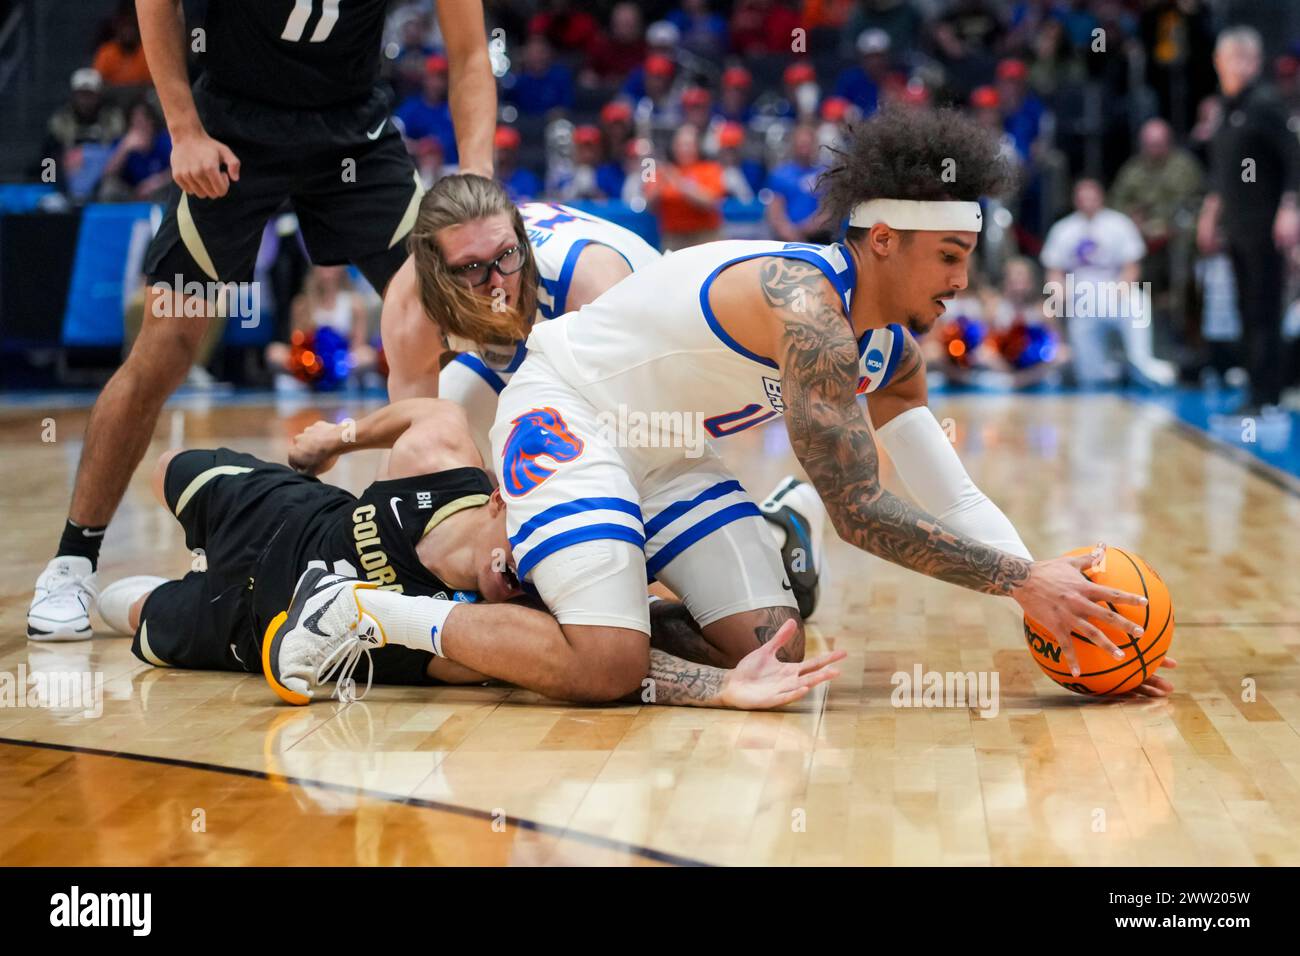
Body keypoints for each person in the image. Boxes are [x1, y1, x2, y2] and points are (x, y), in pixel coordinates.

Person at [330, 106, 1170, 703]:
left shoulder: (892, 357)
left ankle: (580, 606)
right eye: (949, 256)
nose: (961, 281)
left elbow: (955, 497)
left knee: (774, 639)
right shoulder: (804, 310)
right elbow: (860, 512)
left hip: (662, 454)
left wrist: (1063, 608)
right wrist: (1023, 581)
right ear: (883, 240)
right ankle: (373, 613)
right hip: (566, 414)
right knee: (605, 670)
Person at [26, 0, 497, 641]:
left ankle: (479, 539)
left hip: (350, 131)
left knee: (457, 319)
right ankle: (72, 560)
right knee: (165, 346)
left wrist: (476, 169)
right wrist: (183, 129)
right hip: (233, 129)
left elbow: (471, 53)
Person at [97, 399, 844, 711]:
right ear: (498, 495)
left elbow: (619, 658)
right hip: (284, 514)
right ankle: (779, 533)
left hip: (240, 627)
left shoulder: (528, 614)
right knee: (170, 468)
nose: (522, 569)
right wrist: (339, 436)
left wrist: (715, 691)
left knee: (124, 614)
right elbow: (429, 411)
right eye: (523, 534)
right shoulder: (450, 466)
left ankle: (773, 540)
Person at [1196, 26, 1300, 415]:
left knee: (1264, 308)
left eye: (1244, 58)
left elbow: (1294, 155)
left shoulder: (1266, 103)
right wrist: (1211, 212)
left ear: (1255, 62)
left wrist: (1291, 207)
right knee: (1244, 307)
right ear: (1218, 62)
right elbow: (1224, 168)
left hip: (1266, 223)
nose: (1236, 66)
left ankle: (1267, 396)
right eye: (1229, 58)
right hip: (1236, 224)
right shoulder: (1226, 109)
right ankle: (1255, 390)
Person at [1040, 178, 1176, 388]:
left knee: (1136, 301)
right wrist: (1059, 296)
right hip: (1081, 297)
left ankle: (1142, 363)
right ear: (1075, 200)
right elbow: (1054, 270)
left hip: (1115, 290)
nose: (1087, 202)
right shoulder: (1063, 229)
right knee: (1090, 375)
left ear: (1101, 197)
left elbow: (1132, 266)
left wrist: (1120, 290)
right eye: (1082, 197)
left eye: (1091, 196)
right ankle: (1107, 372)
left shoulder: (1119, 223)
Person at [265, 265, 377, 391]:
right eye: (322, 265)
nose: (327, 269)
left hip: (342, 362)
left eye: (330, 265)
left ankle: (339, 379)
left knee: (366, 355)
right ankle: (307, 378)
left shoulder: (355, 303)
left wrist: (337, 355)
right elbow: (296, 343)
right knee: (274, 351)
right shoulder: (302, 304)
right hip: (311, 362)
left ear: (341, 268)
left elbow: (358, 345)